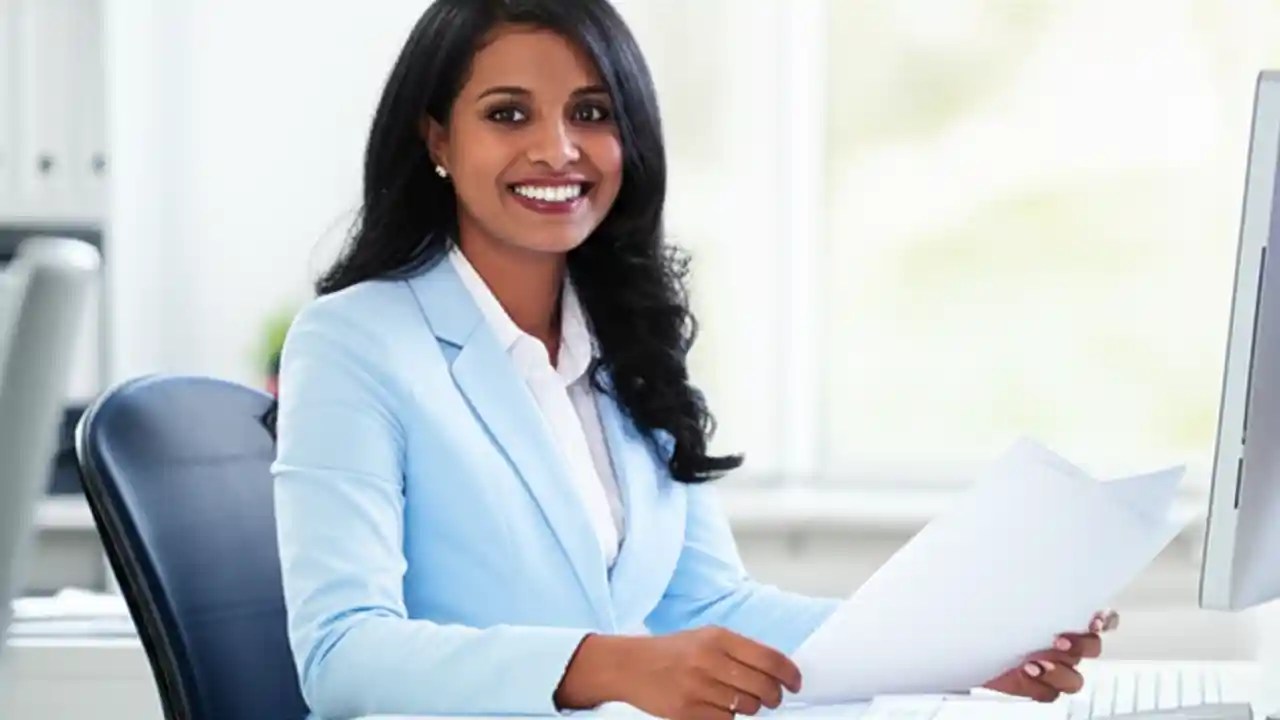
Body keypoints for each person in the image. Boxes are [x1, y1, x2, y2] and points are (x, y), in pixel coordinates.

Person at [270, 1, 1120, 718]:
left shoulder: (631, 336)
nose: (558, 149)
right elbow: (344, 653)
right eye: (507, 113)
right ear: (438, 141)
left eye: (593, 113)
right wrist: (613, 665)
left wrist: (953, 653)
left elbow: (711, 605)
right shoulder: (356, 342)